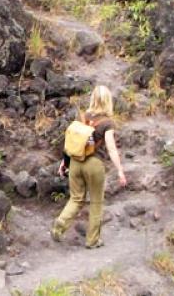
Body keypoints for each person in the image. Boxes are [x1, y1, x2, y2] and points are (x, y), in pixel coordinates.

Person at [50, 85, 129, 249]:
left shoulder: (83, 117)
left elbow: (72, 142)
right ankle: (92, 240)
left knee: (76, 198)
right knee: (96, 203)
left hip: (76, 162)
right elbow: (111, 147)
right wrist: (120, 171)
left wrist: (64, 162)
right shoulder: (107, 123)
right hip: (94, 164)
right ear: (108, 101)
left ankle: (60, 224)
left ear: (93, 99)